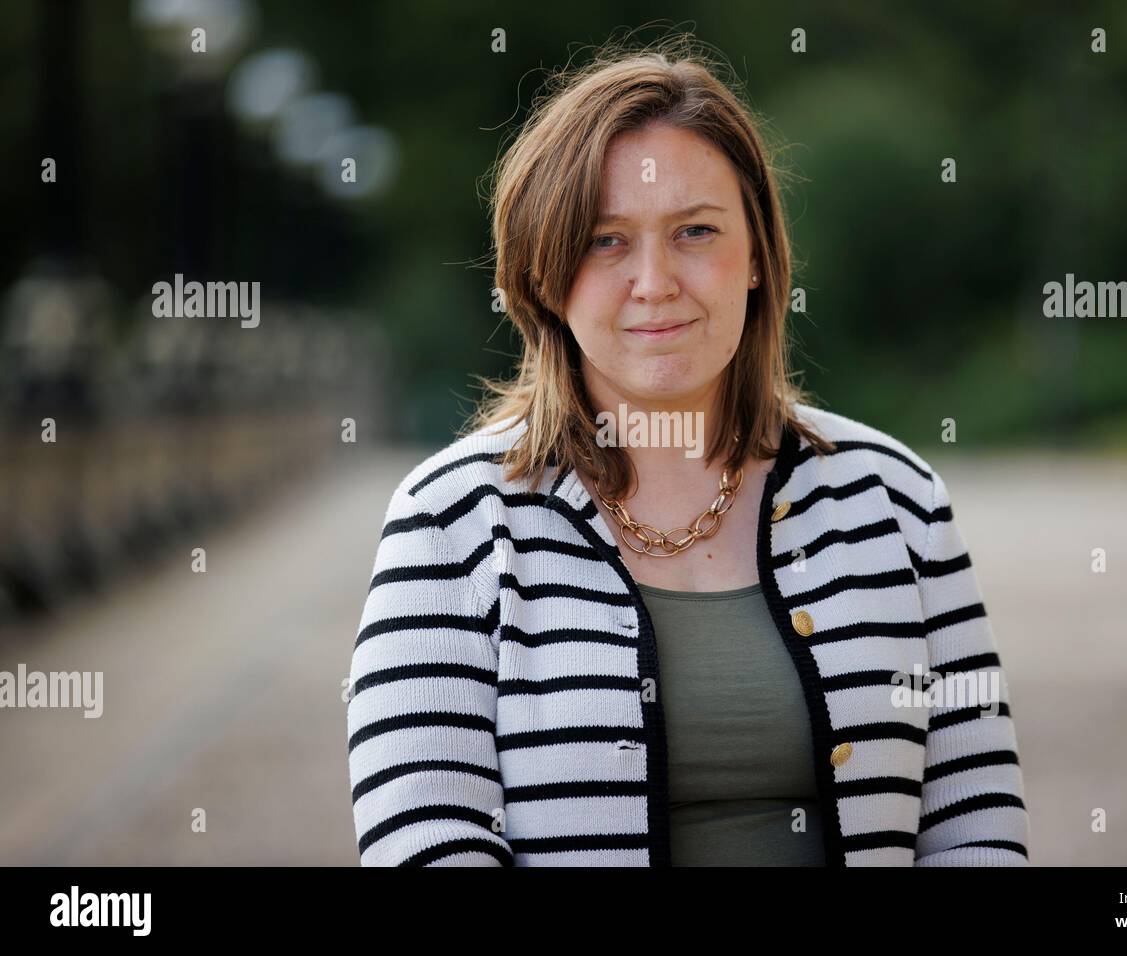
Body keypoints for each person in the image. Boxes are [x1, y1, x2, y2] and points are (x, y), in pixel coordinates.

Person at [346, 40, 1029, 866]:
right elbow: (424, 843)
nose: (655, 280)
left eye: (696, 231)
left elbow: (977, 820)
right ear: (546, 275)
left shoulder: (901, 501)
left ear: (757, 258)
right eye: (606, 240)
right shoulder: (448, 523)